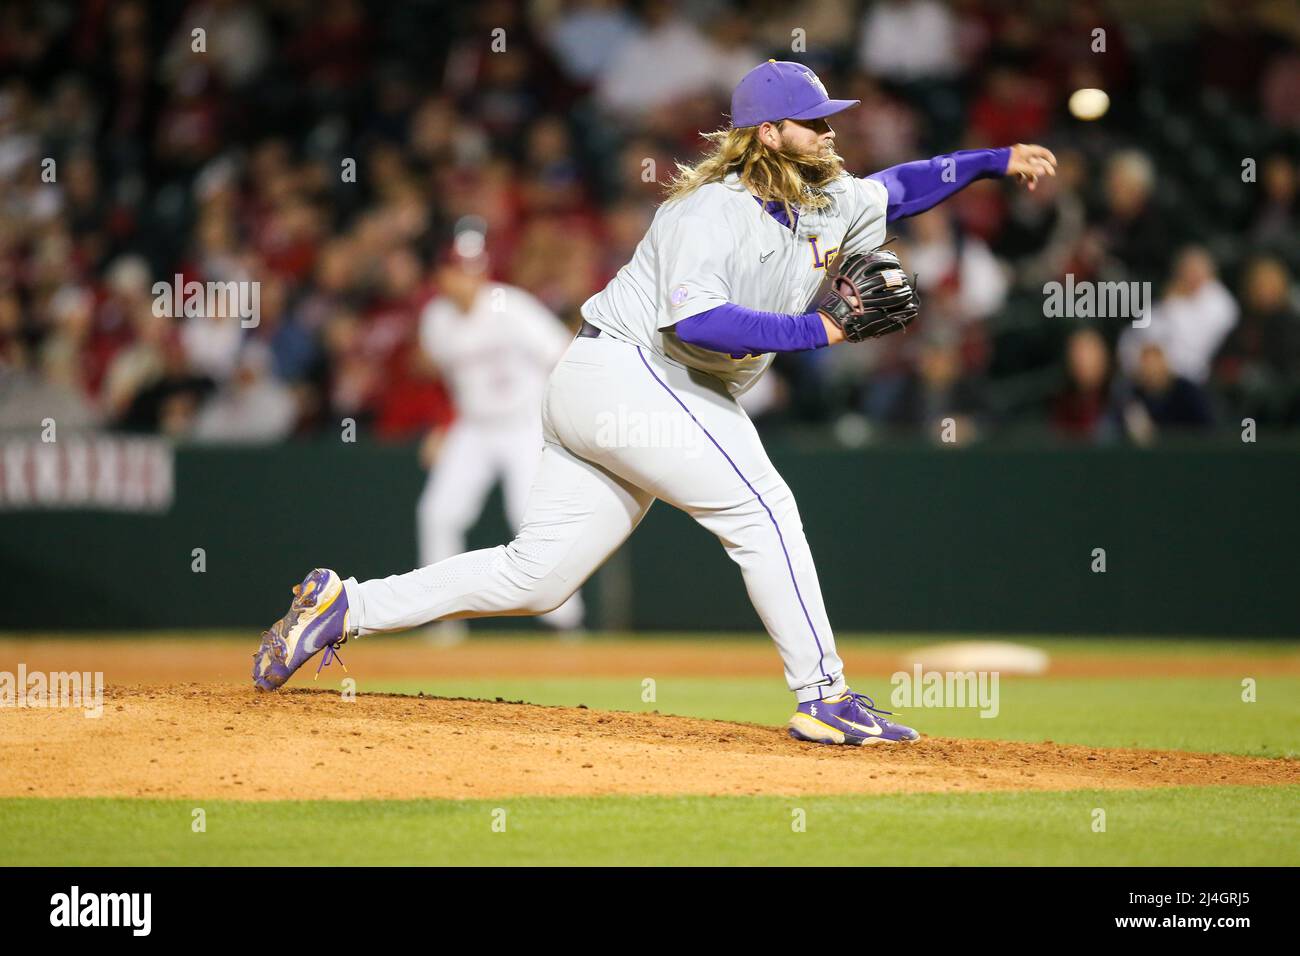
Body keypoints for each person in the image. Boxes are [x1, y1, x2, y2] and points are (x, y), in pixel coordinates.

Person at [252, 60, 1056, 746]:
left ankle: (344, 604)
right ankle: (825, 698)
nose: (828, 132)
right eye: (812, 122)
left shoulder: (828, 200)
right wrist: (822, 330)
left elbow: (904, 187)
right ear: (768, 133)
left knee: (537, 578)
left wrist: (993, 159)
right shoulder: (707, 212)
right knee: (763, 508)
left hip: (643, 389)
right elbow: (698, 320)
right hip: (627, 375)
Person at [415, 236, 585, 641]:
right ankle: (443, 620)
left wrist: (560, 419)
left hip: (523, 424)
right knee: (438, 513)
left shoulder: (510, 306)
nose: (469, 276)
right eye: (459, 268)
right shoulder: (436, 319)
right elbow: (446, 382)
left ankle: (567, 618)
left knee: (528, 517)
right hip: (472, 426)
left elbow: (563, 354)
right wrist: (442, 425)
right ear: (442, 275)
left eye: (474, 267)